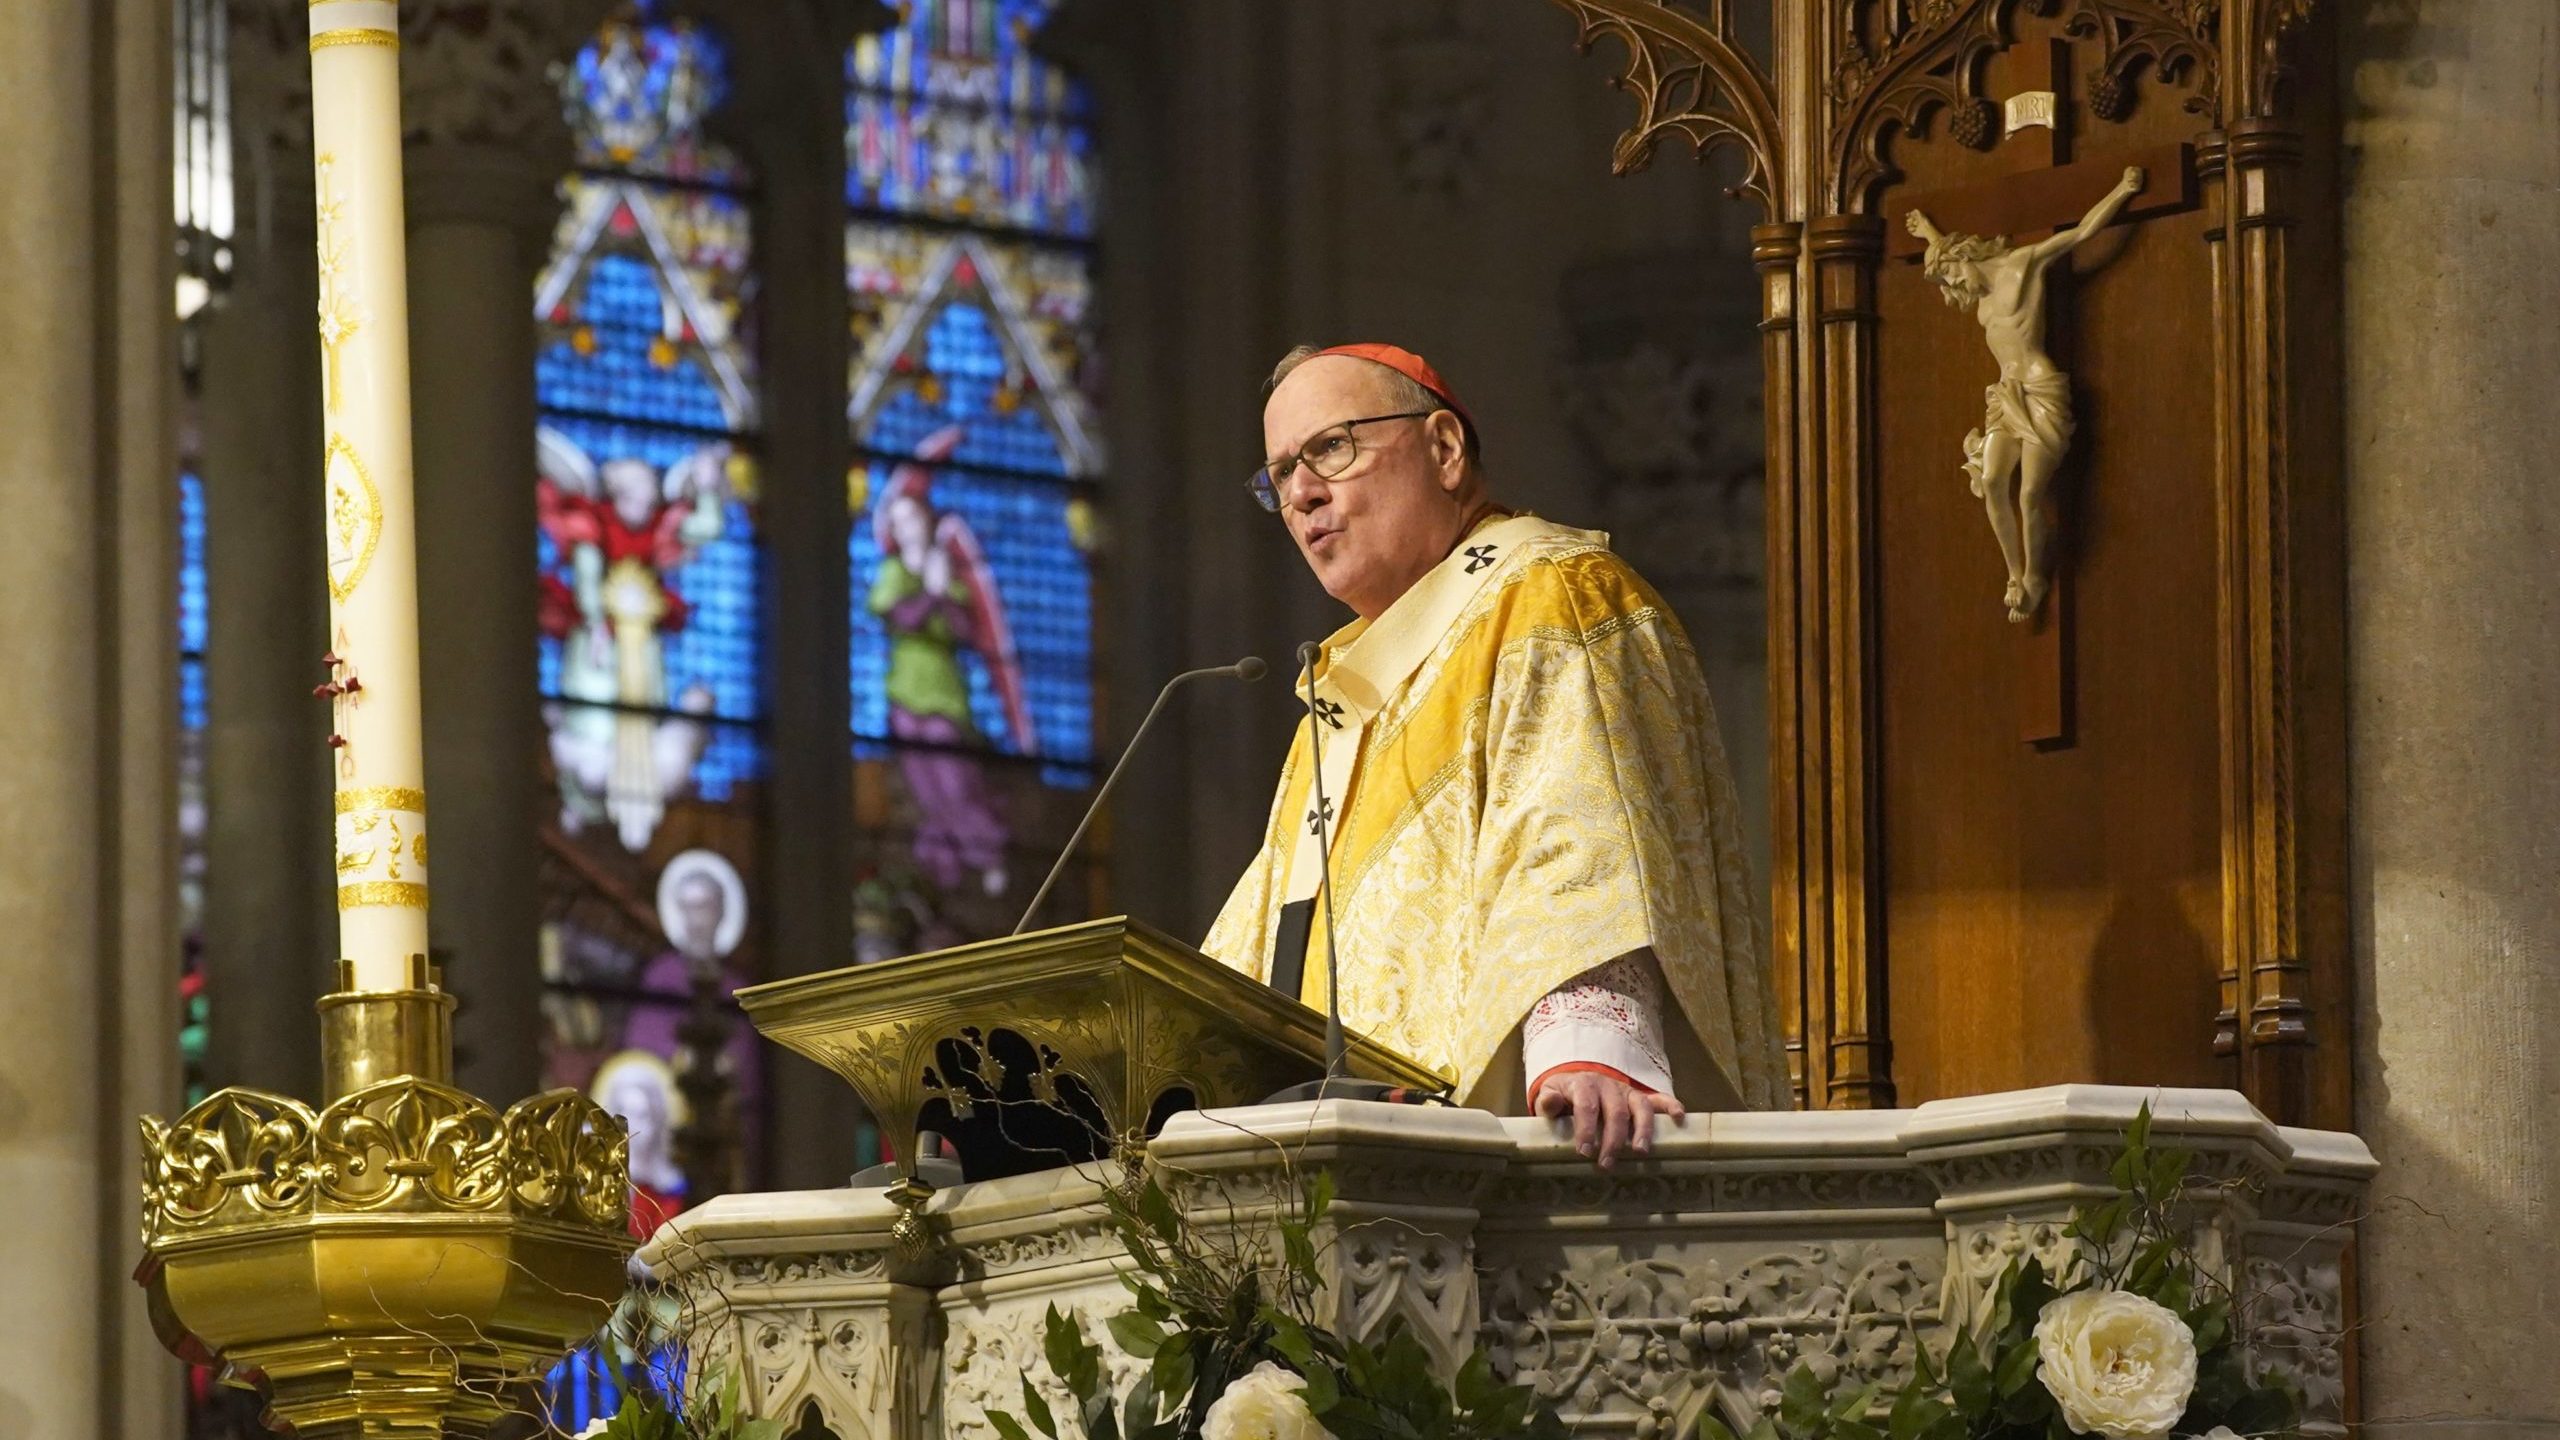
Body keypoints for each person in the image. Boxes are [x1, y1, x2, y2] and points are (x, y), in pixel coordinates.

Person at [1204, 343, 1786, 1169]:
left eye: (1331, 448)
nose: (1301, 493)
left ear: (1444, 449)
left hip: (1498, 1161)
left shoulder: (1549, 595)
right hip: (1335, 1166)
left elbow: (1579, 835)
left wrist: (1586, 1049)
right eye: (1281, 473)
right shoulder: (1344, 696)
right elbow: (1264, 938)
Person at [1905, 166, 2145, 622]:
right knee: (1993, 481)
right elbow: (1944, 257)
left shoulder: (2023, 265)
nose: (1956, 289)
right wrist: (1927, 233)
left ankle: (2035, 577)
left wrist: (2122, 189)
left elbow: (2082, 233)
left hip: (2040, 389)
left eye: (1953, 277)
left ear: (1965, 256)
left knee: (2031, 493)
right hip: (2005, 396)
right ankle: (2014, 574)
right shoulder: (1972, 286)